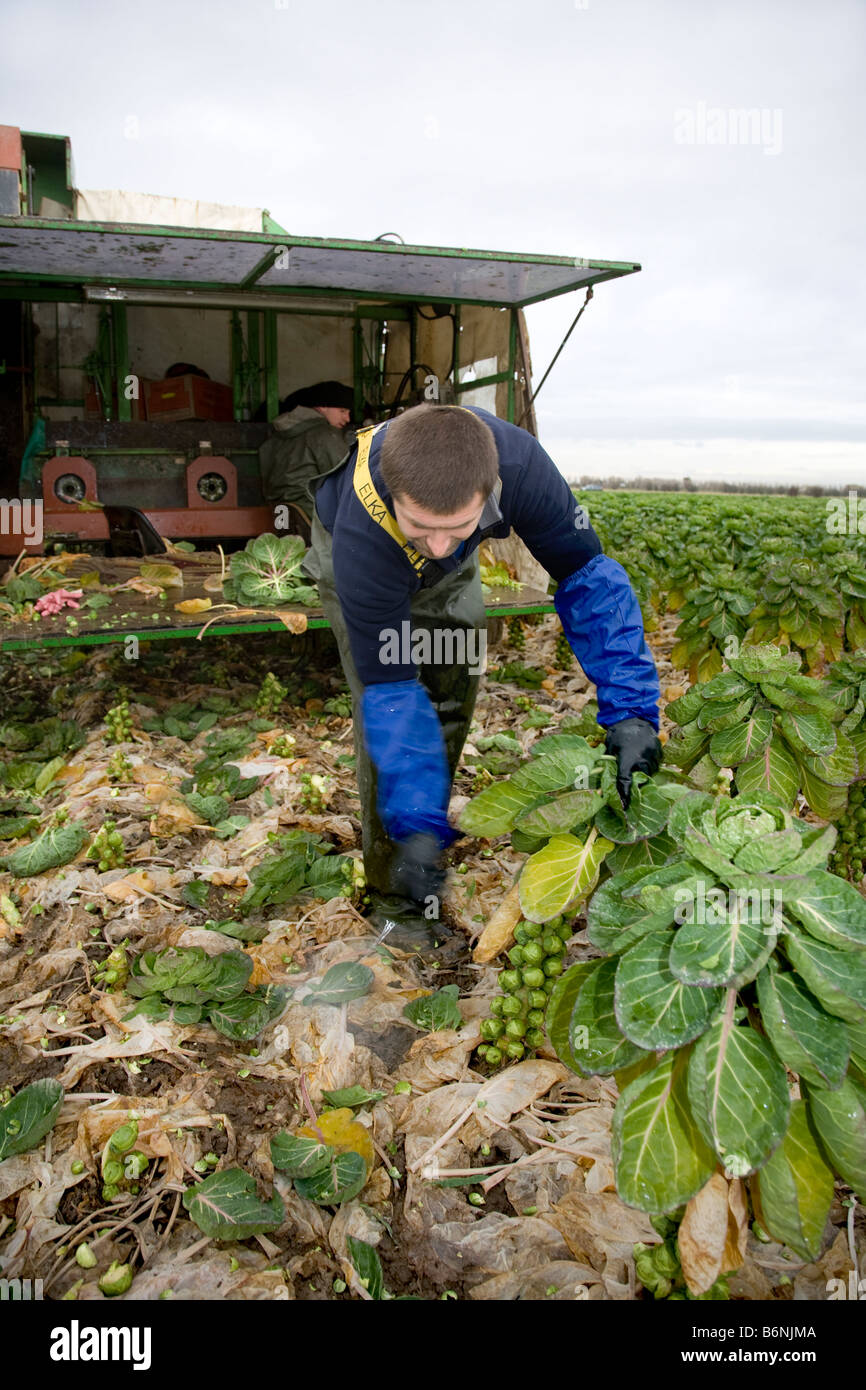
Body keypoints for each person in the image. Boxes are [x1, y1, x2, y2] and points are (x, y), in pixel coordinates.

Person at [302, 403, 661, 959]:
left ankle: (424, 818)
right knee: (393, 713)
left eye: (457, 527)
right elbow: (393, 694)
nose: (438, 544)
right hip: (358, 559)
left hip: (447, 578)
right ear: (396, 495)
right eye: (421, 525)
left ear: (490, 492)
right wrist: (416, 829)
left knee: (453, 689)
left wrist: (633, 710)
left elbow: (591, 581)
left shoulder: (521, 469)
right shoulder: (363, 532)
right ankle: (397, 899)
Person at [258, 381, 354, 511]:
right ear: (322, 407)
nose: (347, 419)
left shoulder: (279, 434)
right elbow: (345, 478)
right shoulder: (324, 434)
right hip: (310, 509)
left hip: (280, 510)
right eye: (342, 411)